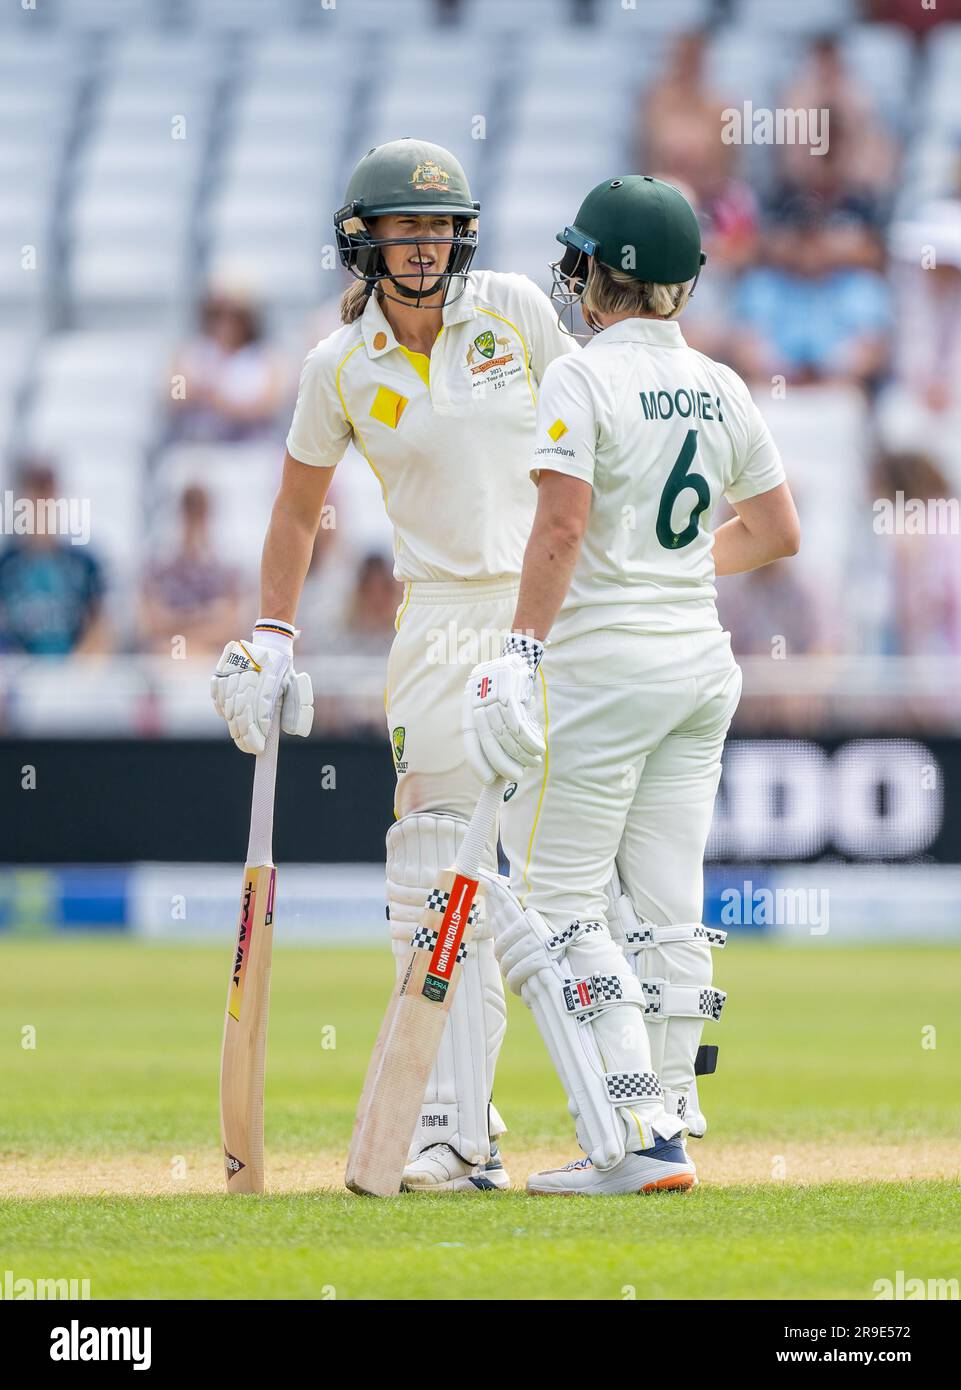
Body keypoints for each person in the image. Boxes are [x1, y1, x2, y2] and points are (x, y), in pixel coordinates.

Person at [211, 138, 576, 1192]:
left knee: (494, 871)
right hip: (434, 622)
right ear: (362, 244)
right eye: (402, 230)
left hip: (539, 603)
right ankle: (458, 1131)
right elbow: (294, 508)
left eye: (437, 228)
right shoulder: (339, 367)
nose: (423, 248)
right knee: (427, 862)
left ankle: (543, 1121)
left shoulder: (511, 308)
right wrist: (274, 634)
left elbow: (591, 439)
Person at [464, 176, 800, 1194]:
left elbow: (561, 528)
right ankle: (674, 1119)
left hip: (605, 670)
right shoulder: (722, 382)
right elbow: (780, 531)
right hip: (700, 668)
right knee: (667, 905)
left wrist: (520, 650)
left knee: (563, 902)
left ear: (599, 273)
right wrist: (676, 570)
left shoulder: (581, 376)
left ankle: (635, 1135)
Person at [0, 462, 109, 656]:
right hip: (16, 675)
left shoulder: (85, 564)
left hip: (72, 676)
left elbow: (100, 627)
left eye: (47, 497)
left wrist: (78, 666)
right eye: (34, 497)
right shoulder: (6, 564)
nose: (40, 506)